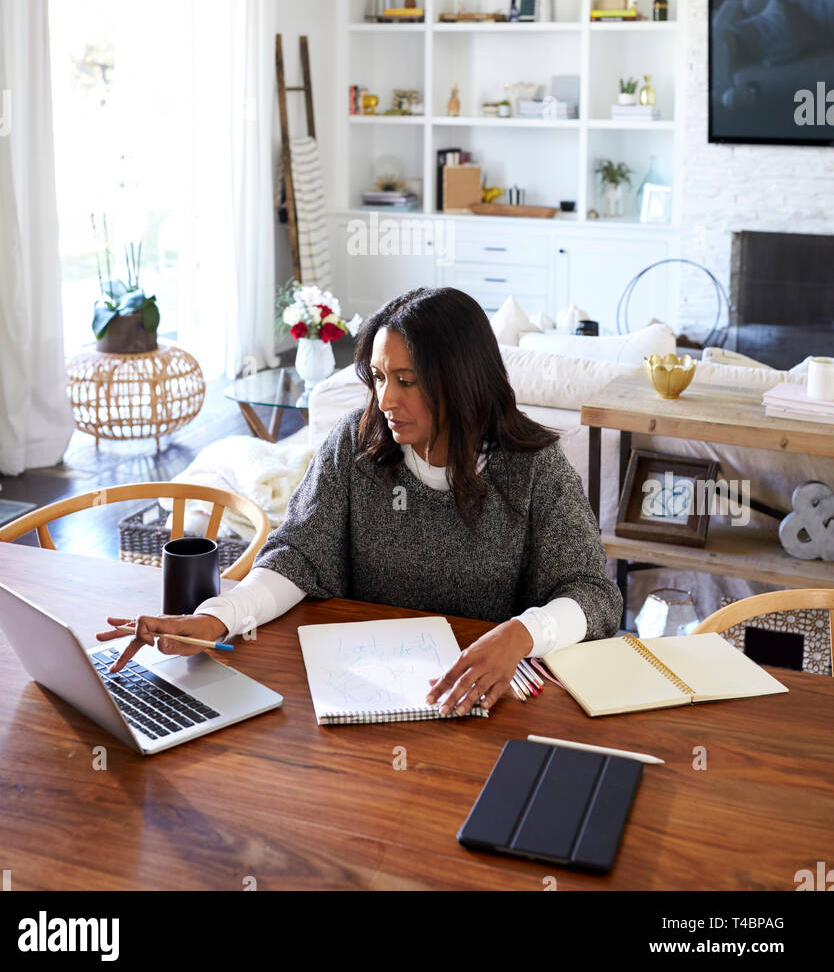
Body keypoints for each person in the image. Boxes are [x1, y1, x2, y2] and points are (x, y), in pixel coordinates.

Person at [98, 287, 622, 714]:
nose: (385, 399)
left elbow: (595, 595)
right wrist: (217, 617)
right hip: (360, 697)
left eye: (406, 381)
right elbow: (298, 555)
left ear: (462, 382)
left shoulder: (534, 468)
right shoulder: (358, 442)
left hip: (480, 706)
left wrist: (522, 634)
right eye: (377, 377)